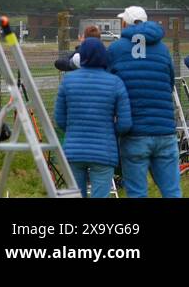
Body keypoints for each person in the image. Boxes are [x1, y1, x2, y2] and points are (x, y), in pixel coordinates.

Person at [106, 6, 181, 197]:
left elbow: (108, 84)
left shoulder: (116, 49)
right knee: (172, 190)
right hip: (164, 128)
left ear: (125, 24)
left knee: (137, 192)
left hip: (134, 130)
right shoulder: (162, 49)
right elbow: (170, 81)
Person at [53, 37, 131, 198]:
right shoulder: (115, 82)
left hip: (74, 149)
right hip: (104, 150)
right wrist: (111, 131)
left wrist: (73, 130)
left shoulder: (68, 81)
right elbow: (125, 124)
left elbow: (59, 119)